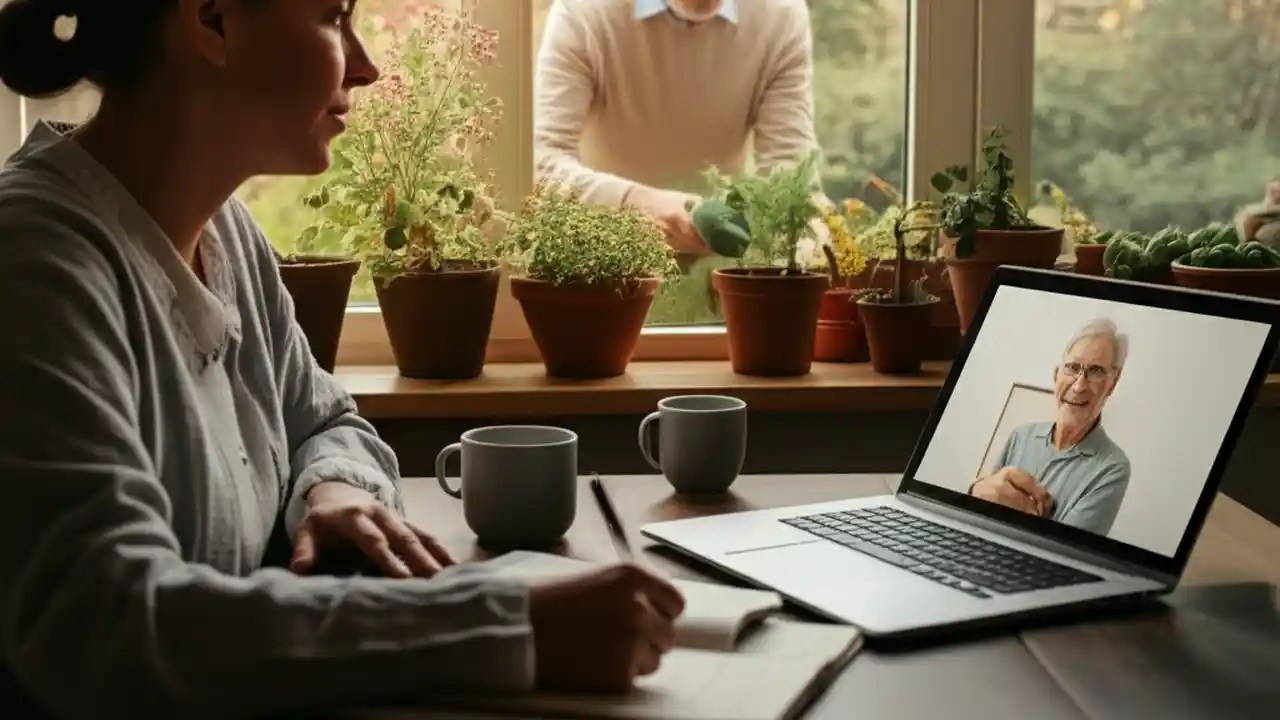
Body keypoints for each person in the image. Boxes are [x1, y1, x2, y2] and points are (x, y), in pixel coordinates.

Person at [0, 1, 683, 716]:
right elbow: (102, 626)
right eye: (333, 17)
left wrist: (336, 490)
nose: (367, 64)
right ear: (211, 20)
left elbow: (327, 419)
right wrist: (507, 624)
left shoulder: (227, 235)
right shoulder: (37, 269)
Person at [534, 0, 823, 258]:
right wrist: (634, 202)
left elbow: (792, 176)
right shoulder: (583, 11)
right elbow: (538, 162)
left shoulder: (781, 15)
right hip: (600, 266)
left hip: (719, 273)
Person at [969, 319, 1132, 535]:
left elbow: (1065, 552)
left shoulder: (1111, 468)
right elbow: (982, 514)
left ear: (1113, 382)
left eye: (1095, 371)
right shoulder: (1021, 435)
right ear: (1056, 375)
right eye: (1073, 368)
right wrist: (974, 490)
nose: (1078, 385)